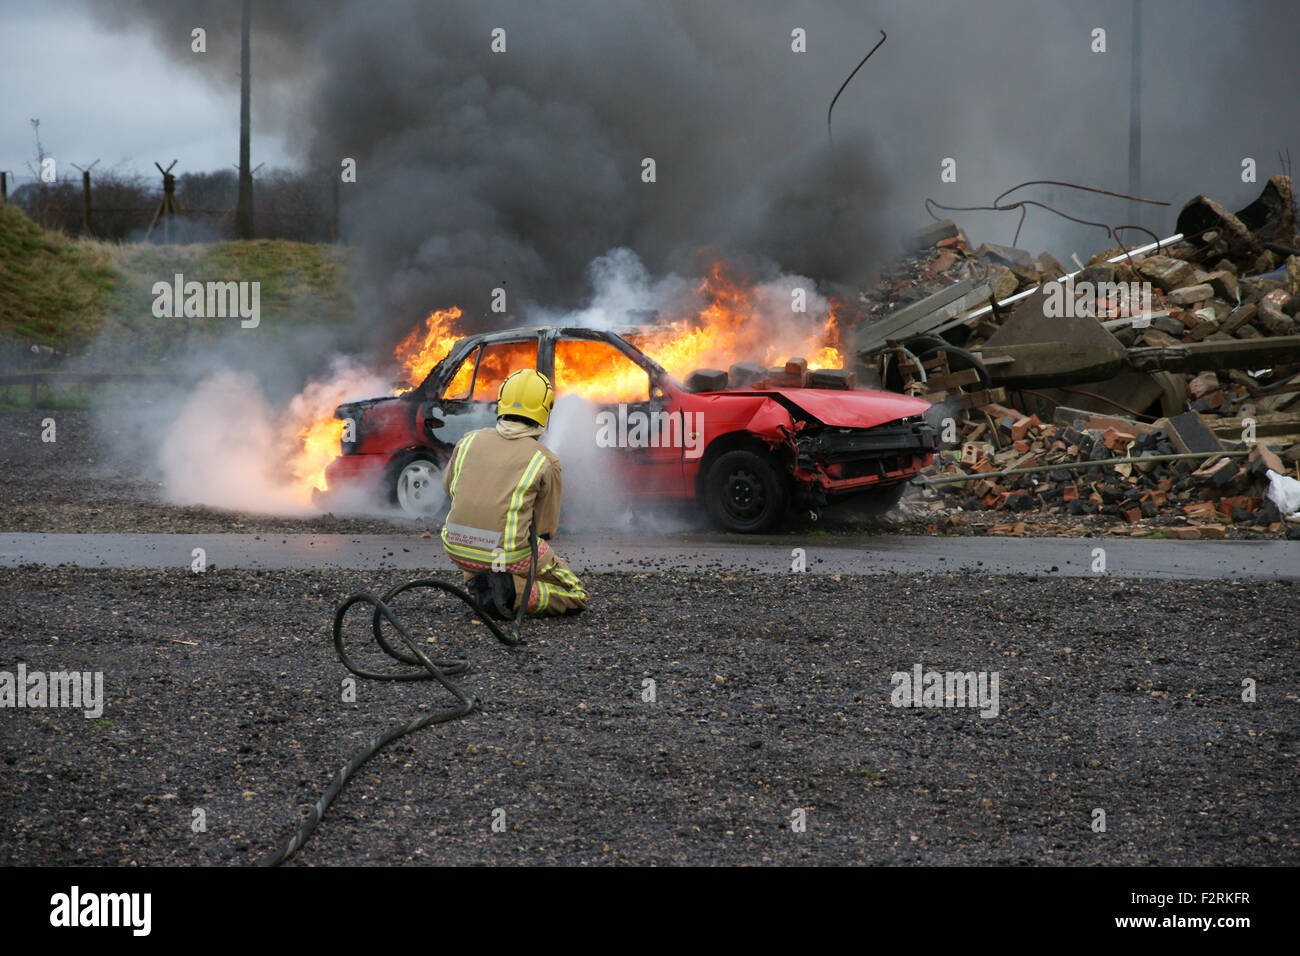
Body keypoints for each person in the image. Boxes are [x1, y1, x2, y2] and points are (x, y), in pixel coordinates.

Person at [440, 368, 588, 618]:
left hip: (455, 547)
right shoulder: (546, 460)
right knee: (576, 594)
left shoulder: (467, 441)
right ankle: (512, 593)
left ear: (501, 402)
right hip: (504, 556)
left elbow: (449, 489)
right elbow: (544, 530)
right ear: (545, 410)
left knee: (492, 551)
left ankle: (484, 582)